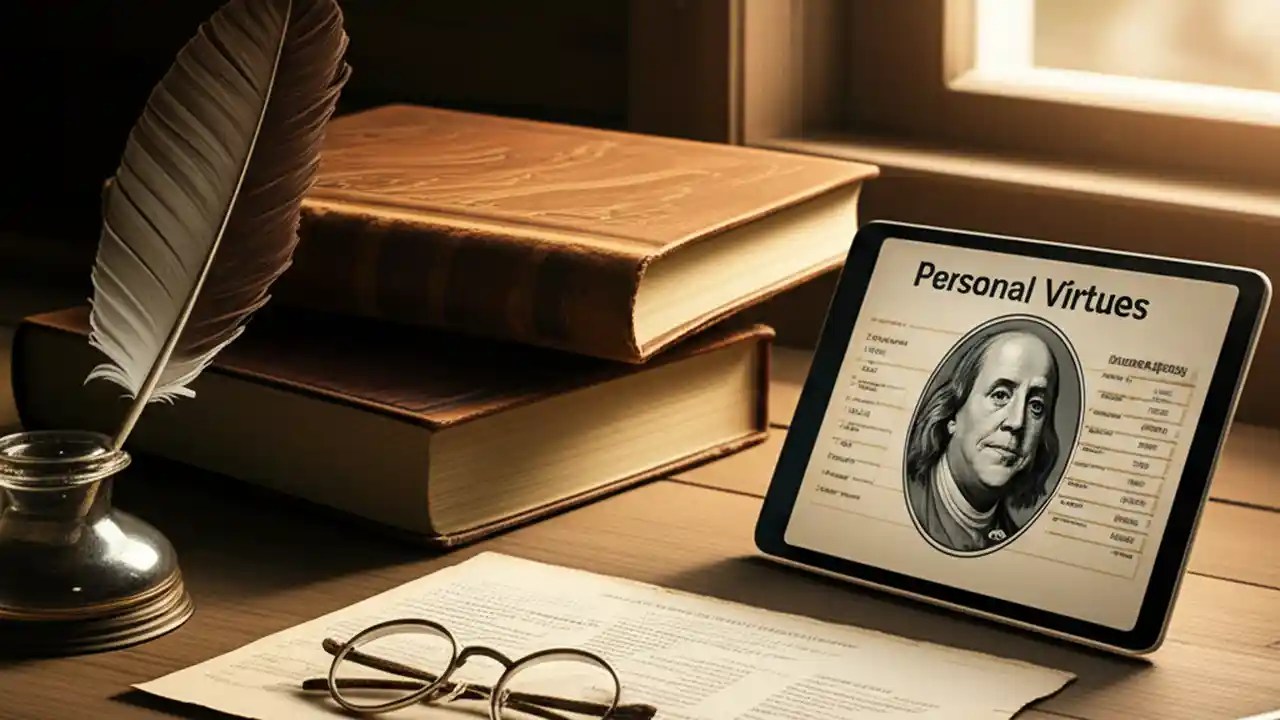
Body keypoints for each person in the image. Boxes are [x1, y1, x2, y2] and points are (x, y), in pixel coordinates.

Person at [905, 329, 1060, 553]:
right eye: (1000, 395)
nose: (1017, 422)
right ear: (953, 413)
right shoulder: (901, 504)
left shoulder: (1012, 541)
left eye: (1036, 405)